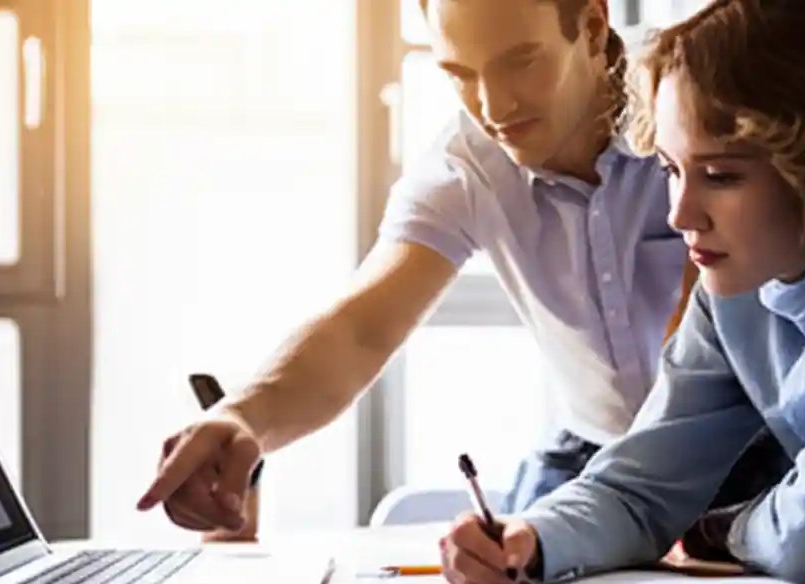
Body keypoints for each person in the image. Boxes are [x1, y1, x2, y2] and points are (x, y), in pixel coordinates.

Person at [439, 0, 805, 584]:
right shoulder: (736, 286)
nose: (680, 214)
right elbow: (640, 486)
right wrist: (530, 537)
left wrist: (729, 527)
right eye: (670, 168)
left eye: (720, 176)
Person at [135, 0, 693, 537]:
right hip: (590, 452)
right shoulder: (466, 164)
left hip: (741, 446)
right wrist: (242, 420)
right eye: (460, 74)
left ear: (593, 27)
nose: (494, 108)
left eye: (520, 62)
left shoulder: (695, 101)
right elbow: (361, 329)